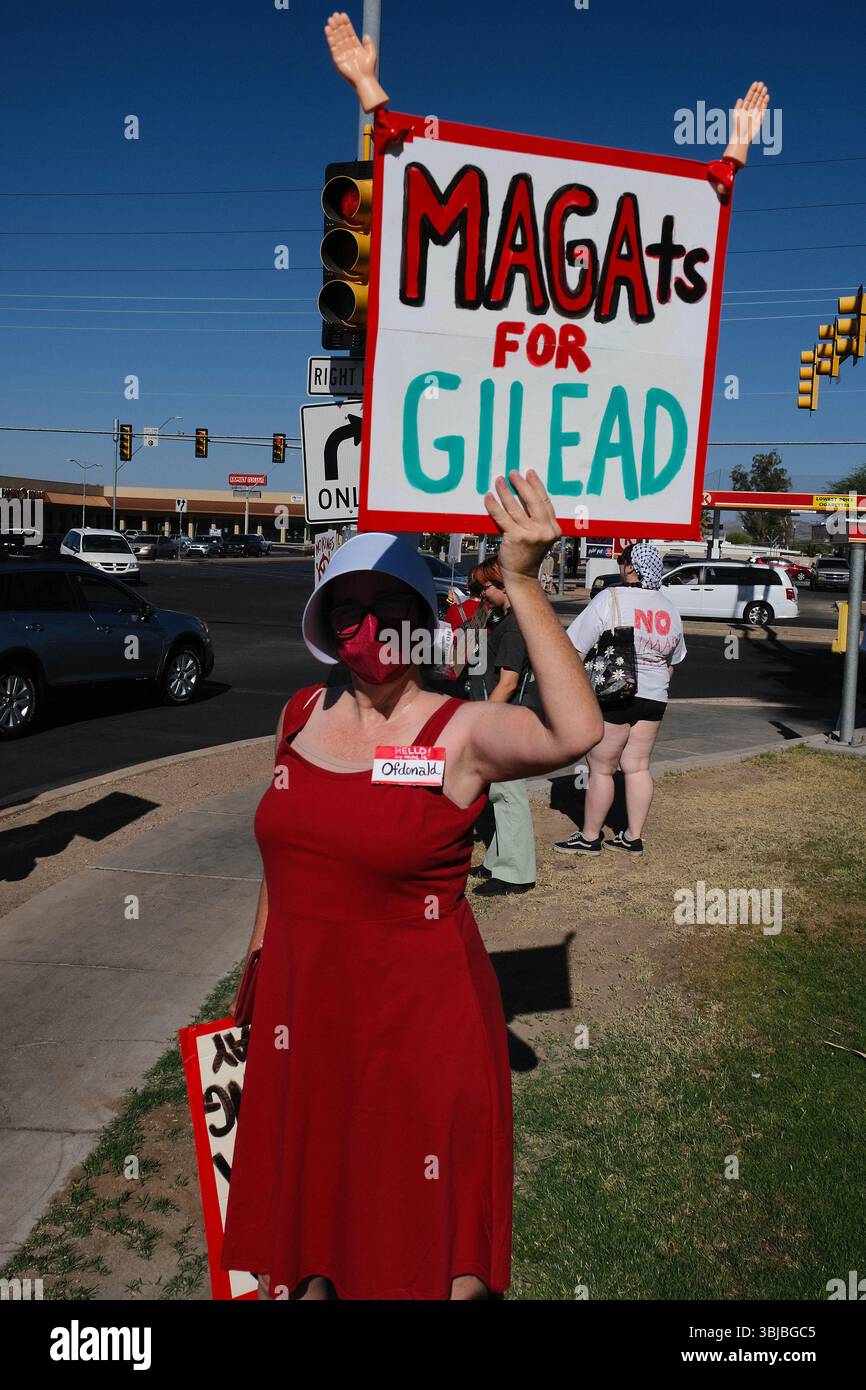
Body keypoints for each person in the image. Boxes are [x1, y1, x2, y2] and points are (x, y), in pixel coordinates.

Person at [220, 469, 603, 1301]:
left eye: (392, 611)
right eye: (349, 612)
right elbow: (285, 854)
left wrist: (526, 581)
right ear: (325, 624)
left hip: (420, 1031)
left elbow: (577, 729)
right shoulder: (296, 716)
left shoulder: (456, 734)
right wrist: (258, 963)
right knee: (315, 1240)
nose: (372, 632)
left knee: (415, 1245)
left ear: (422, 625)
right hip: (305, 1017)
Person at [555, 542, 685, 856]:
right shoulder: (668, 606)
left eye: (623, 561)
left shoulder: (610, 597)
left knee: (601, 768)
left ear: (631, 568)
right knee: (638, 766)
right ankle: (632, 837)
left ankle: (589, 837)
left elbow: (575, 646)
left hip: (615, 690)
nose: (620, 566)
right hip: (654, 696)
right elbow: (674, 660)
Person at [467, 557, 538, 897]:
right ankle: (498, 861)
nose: (480, 595)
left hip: (504, 720)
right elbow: (465, 641)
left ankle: (516, 873)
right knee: (498, 794)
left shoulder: (514, 627)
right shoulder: (506, 620)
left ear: (504, 585)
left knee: (509, 796)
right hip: (502, 718)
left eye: (484, 589)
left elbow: (508, 682)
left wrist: (482, 722)